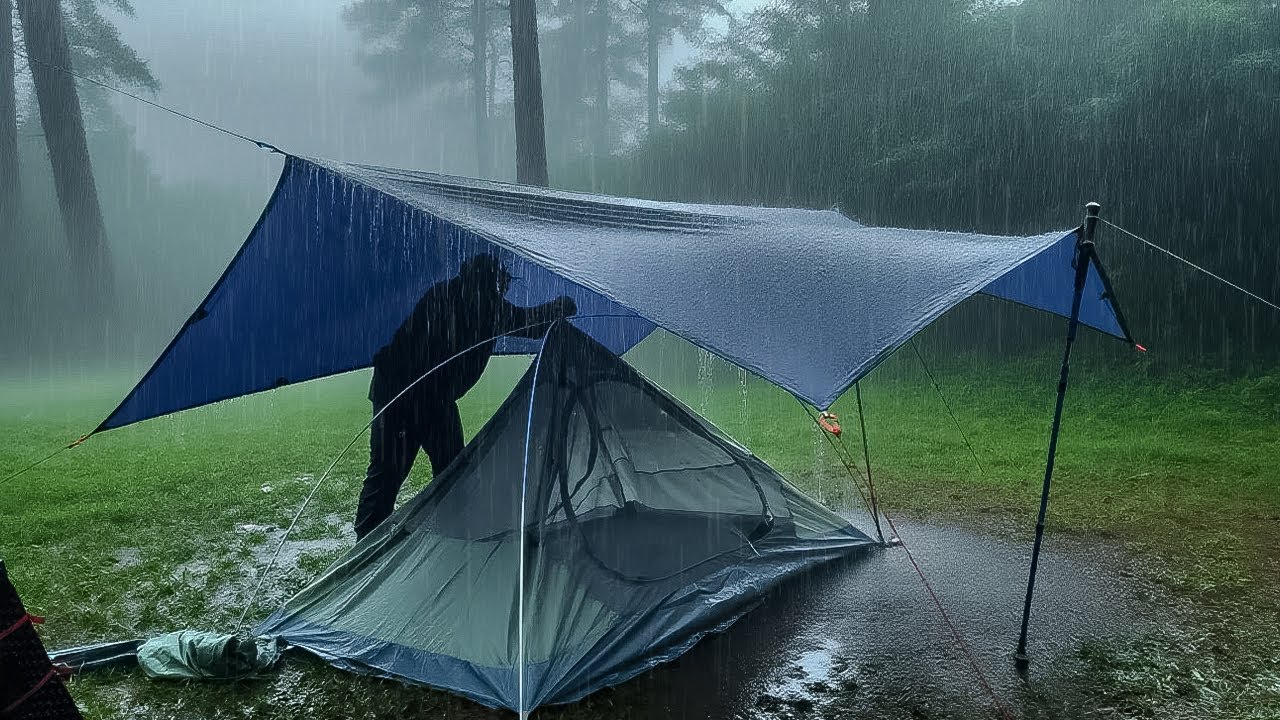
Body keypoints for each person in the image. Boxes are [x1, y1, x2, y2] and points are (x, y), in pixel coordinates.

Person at [353, 254, 577, 539]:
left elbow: (524, 323)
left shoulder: (471, 299)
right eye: (498, 281)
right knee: (389, 474)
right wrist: (559, 307)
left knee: (450, 473)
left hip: (433, 400)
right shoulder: (465, 300)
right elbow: (526, 323)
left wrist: (555, 310)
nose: (501, 288)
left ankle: (448, 534)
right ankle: (365, 546)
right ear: (486, 279)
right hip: (402, 397)